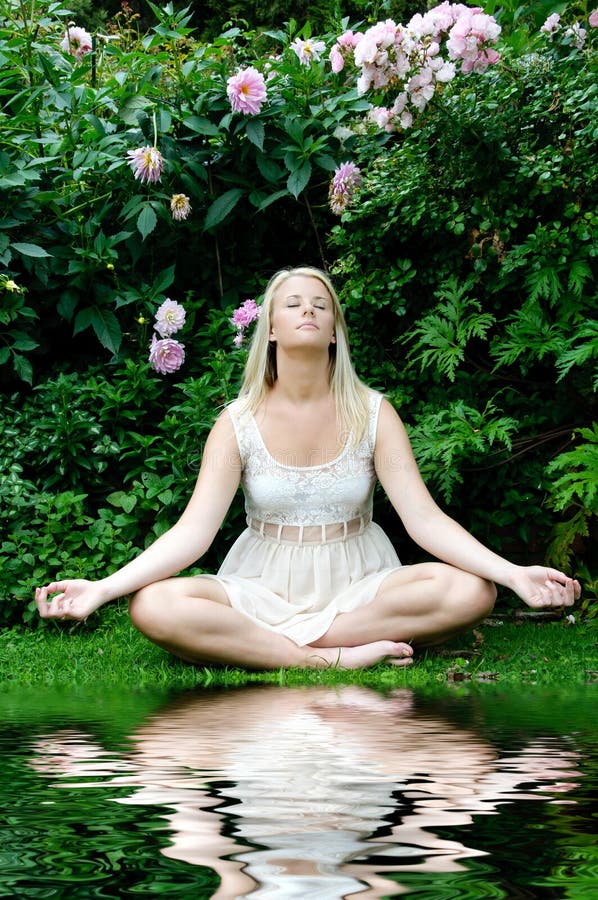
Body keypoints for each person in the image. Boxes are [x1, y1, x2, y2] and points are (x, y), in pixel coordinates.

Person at [35, 266, 580, 669]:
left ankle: (284, 644)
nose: (309, 311)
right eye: (293, 303)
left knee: (473, 592)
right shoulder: (236, 422)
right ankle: (320, 659)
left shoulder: (374, 413)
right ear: (270, 328)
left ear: (335, 331)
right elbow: (193, 534)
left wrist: (511, 573)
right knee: (154, 605)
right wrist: (104, 588)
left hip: (361, 585)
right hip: (261, 586)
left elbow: (424, 520)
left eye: (321, 305)